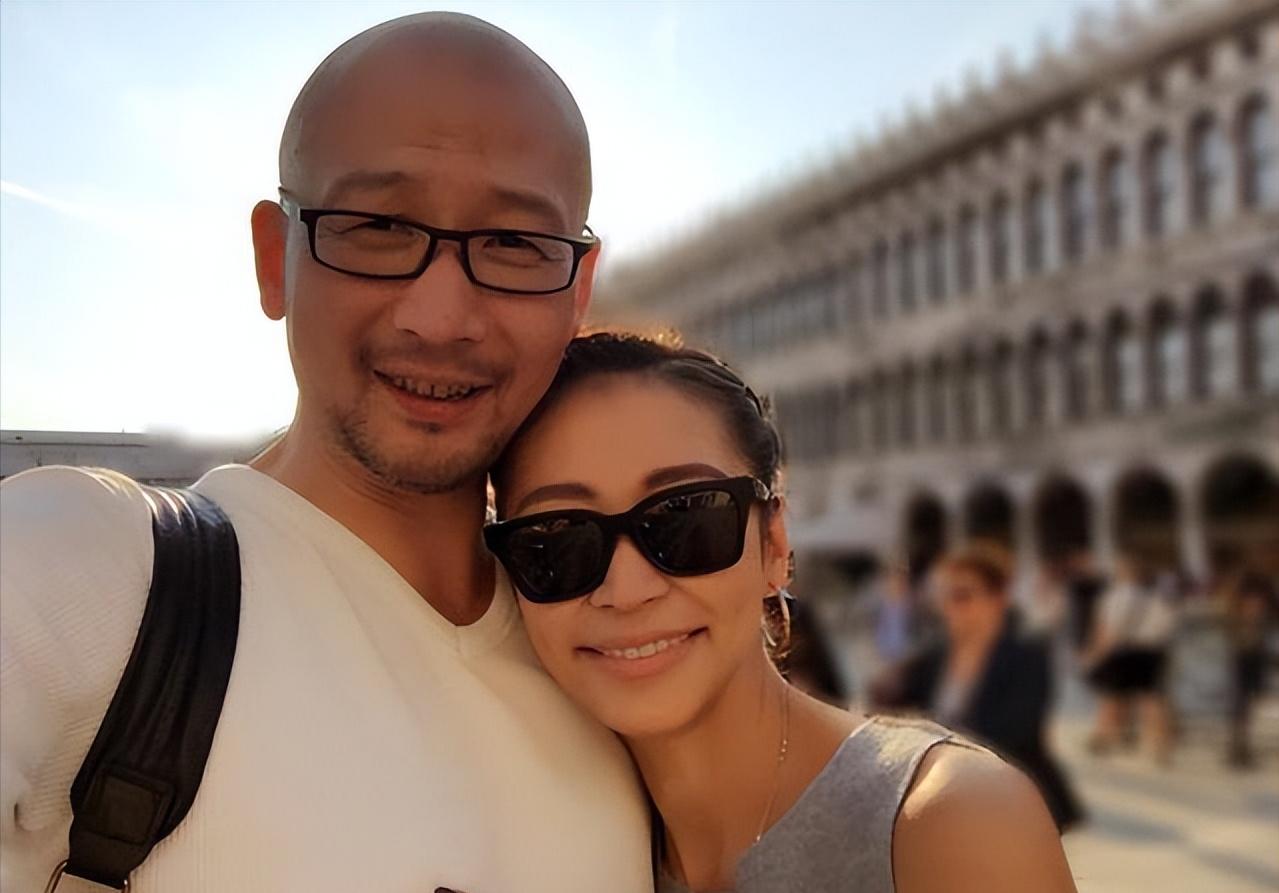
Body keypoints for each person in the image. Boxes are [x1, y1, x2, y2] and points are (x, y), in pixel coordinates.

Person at [0, 15, 652, 892]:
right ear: (276, 260)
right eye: (378, 226)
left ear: (577, 292)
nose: (440, 316)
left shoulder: (613, 656)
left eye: (513, 243)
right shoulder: (89, 571)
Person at [486, 331, 1076, 892]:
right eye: (556, 540)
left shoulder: (950, 823)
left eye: (686, 518)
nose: (626, 587)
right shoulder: (559, 850)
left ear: (774, 544)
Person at [871, 542, 1085, 832]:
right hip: (947, 796)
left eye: (963, 596)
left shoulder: (1028, 658)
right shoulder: (933, 657)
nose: (950, 607)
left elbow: (1016, 728)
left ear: (998, 599)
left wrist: (935, 748)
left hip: (1012, 798)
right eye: (945, 596)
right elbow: (897, 708)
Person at [1082, 553, 1181, 765]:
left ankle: (1103, 738)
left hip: (1123, 651)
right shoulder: (1158, 597)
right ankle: (1160, 745)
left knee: (1112, 697)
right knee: (1152, 700)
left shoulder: (1114, 597)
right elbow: (1168, 627)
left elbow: (1107, 631)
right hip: (1151, 653)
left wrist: (1093, 656)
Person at [1222, 572, 1277, 768]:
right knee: (1240, 707)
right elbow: (1238, 644)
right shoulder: (1234, 618)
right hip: (1241, 664)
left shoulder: (1265, 619)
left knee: (1247, 706)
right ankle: (1238, 748)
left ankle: (1240, 746)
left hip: (1254, 663)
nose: (1256, 605)